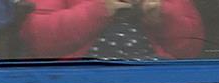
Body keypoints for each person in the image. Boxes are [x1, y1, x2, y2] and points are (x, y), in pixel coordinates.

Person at [22, 0, 206, 60]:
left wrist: (163, 16)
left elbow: (191, 48)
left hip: (154, 81)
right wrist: (99, 10)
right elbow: (38, 39)